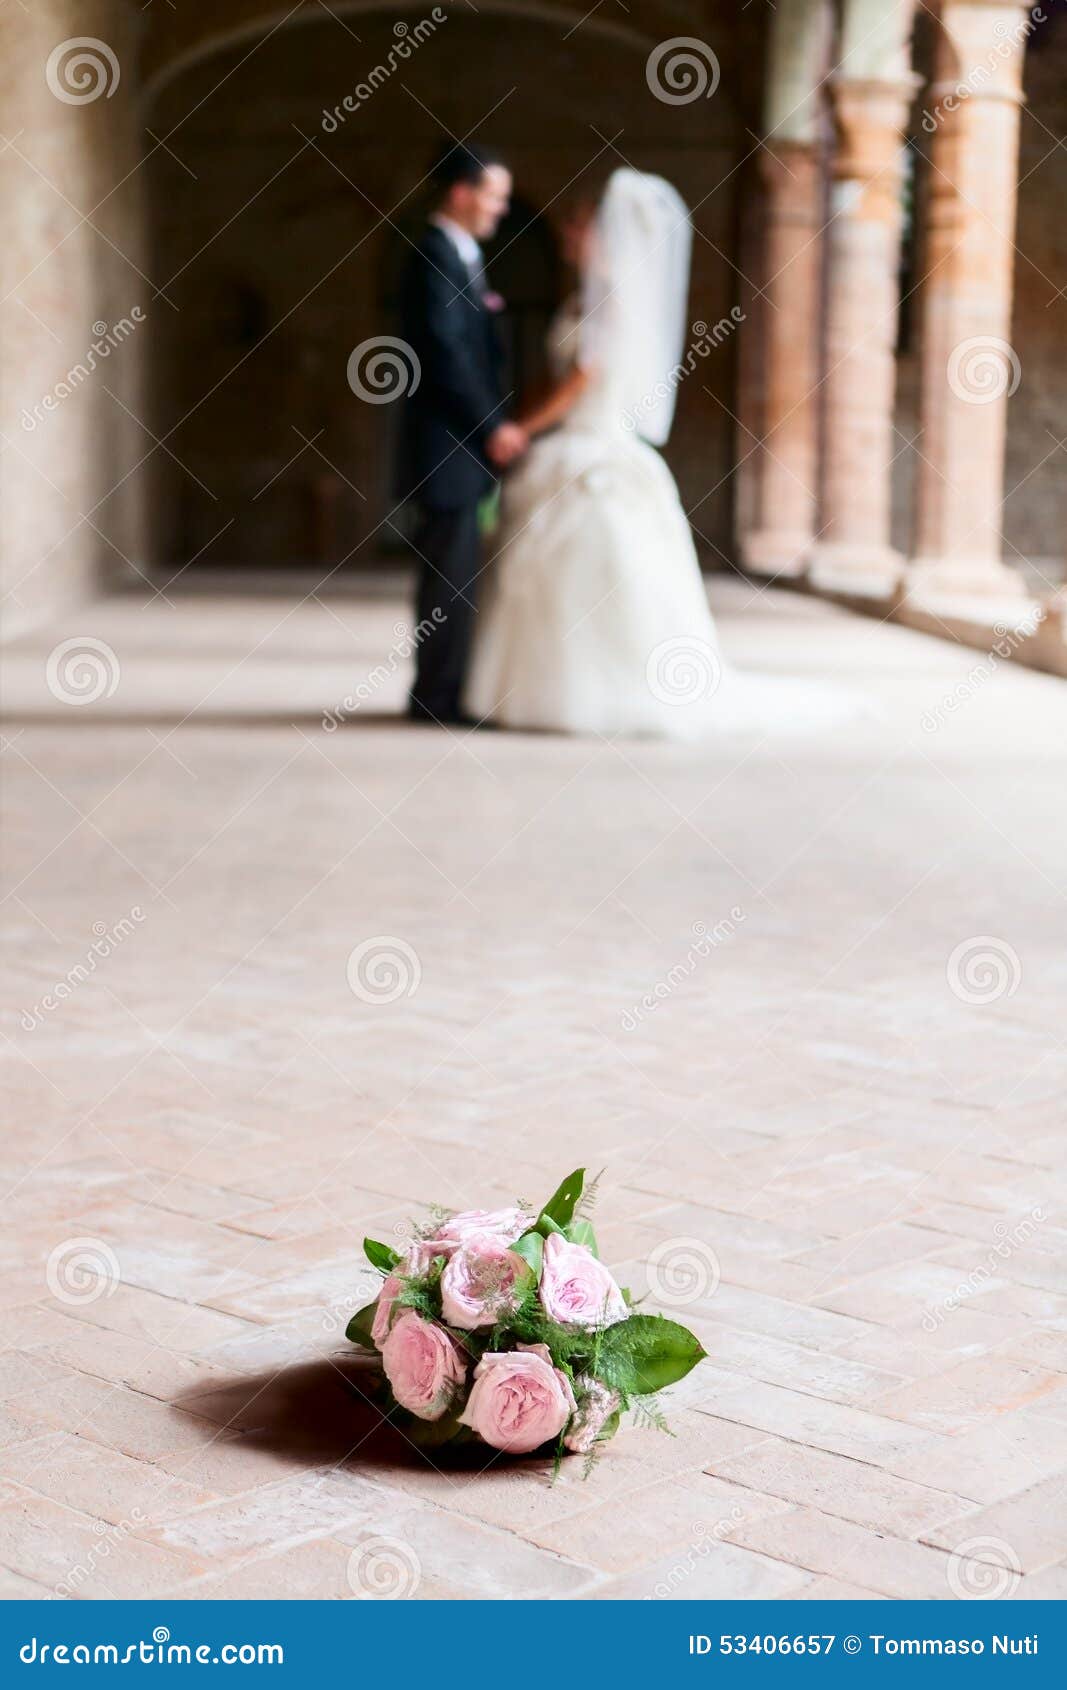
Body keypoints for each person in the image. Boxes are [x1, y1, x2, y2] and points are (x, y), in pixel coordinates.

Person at [396, 142, 527, 726]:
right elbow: (447, 353)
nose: (501, 207)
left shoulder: (463, 255)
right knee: (447, 575)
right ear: (461, 192)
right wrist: (492, 425)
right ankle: (435, 699)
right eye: (494, 194)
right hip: (446, 444)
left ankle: (442, 689)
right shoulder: (433, 256)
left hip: (459, 446)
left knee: (456, 572)